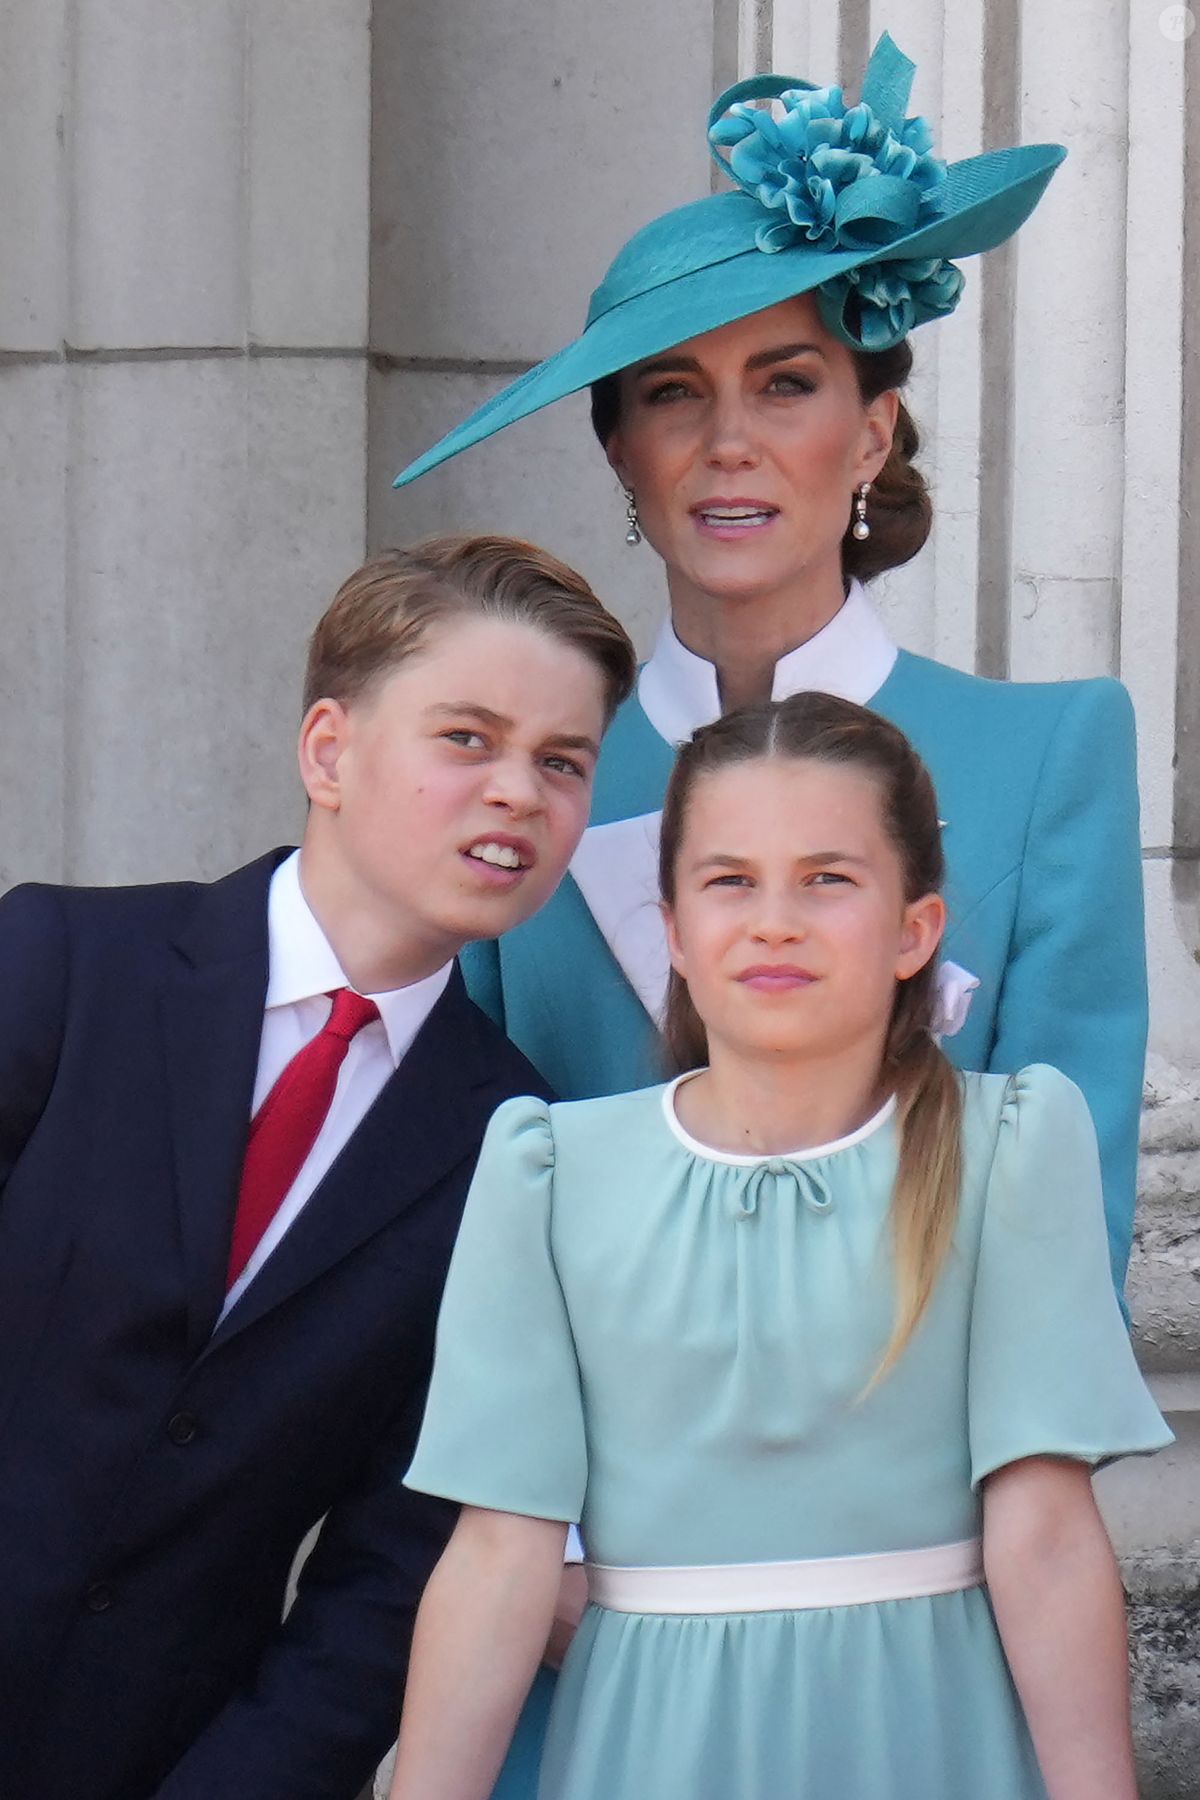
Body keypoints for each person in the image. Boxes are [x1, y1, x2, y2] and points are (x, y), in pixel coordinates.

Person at [392, 34, 1146, 1310]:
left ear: (870, 433)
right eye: (676, 394)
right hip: (587, 1489)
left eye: (786, 385)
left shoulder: (1051, 755)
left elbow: (1071, 1237)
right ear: (623, 452)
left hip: (919, 1483)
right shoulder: (537, 783)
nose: (729, 442)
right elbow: (460, 1221)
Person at [388, 692, 1170, 1800]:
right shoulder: (550, 1171)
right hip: (648, 1744)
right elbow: (498, 1558)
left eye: (828, 879)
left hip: (929, 1732)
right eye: (729, 881)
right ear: (672, 931)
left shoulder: (1006, 1148)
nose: (774, 921)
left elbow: (1044, 1533)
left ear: (916, 929)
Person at [0, 535, 635, 1800]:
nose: (519, 790)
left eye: (561, 763)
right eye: (469, 737)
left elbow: (393, 1566)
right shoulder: (60, 966)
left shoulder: (512, 1143)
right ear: (329, 751)